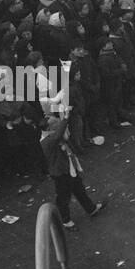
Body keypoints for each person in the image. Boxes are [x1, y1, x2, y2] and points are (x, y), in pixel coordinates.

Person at [41, 95, 107, 231]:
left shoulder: (51, 138)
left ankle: (91, 208)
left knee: (79, 189)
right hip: (60, 172)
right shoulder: (47, 142)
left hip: (68, 168)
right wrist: (65, 118)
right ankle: (65, 220)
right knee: (63, 197)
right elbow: (59, 134)